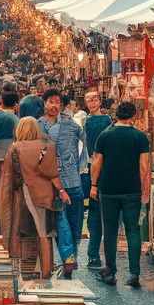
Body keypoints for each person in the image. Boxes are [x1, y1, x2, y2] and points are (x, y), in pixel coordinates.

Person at [89, 101, 151, 288]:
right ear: (133, 117)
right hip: (131, 187)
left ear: (117, 115)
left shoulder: (105, 135)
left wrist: (93, 185)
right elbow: (144, 165)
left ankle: (110, 271)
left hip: (108, 188)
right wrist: (145, 186)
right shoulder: (140, 137)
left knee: (110, 230)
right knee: (133, 230)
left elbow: (96, 162)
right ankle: (134, 273)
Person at [0, 117, 68, 280]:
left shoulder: (15, 149)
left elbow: (10, 178)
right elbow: (53, 172)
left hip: (25, 195)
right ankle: (46, 272)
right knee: (45, 235)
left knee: (17, 231)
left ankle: (18, 269)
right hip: (47, 197)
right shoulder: (47, 146)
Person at [38, 88, 88, 278]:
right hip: (52, 183)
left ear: (62, 105)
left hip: (73, 181)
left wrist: (80, 165)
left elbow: (85, 144)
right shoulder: (39, 126)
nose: (54, 105)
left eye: (57, 102)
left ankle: (70, 257)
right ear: (44, 104)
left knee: (75, 223)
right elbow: (39, 154)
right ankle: (67, 258)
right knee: (61, 221)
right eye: (50, 101)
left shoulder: (72, 125)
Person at [80, 89, 112, 270]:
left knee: (98, 213)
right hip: (92, 168)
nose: (92, 103)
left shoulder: (105, 120)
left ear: (100, 101)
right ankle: (94, 254)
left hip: (100, 168)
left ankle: (98, 255)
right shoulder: (86, 121)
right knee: (96, 213)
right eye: (88, 100)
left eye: (94, 99)